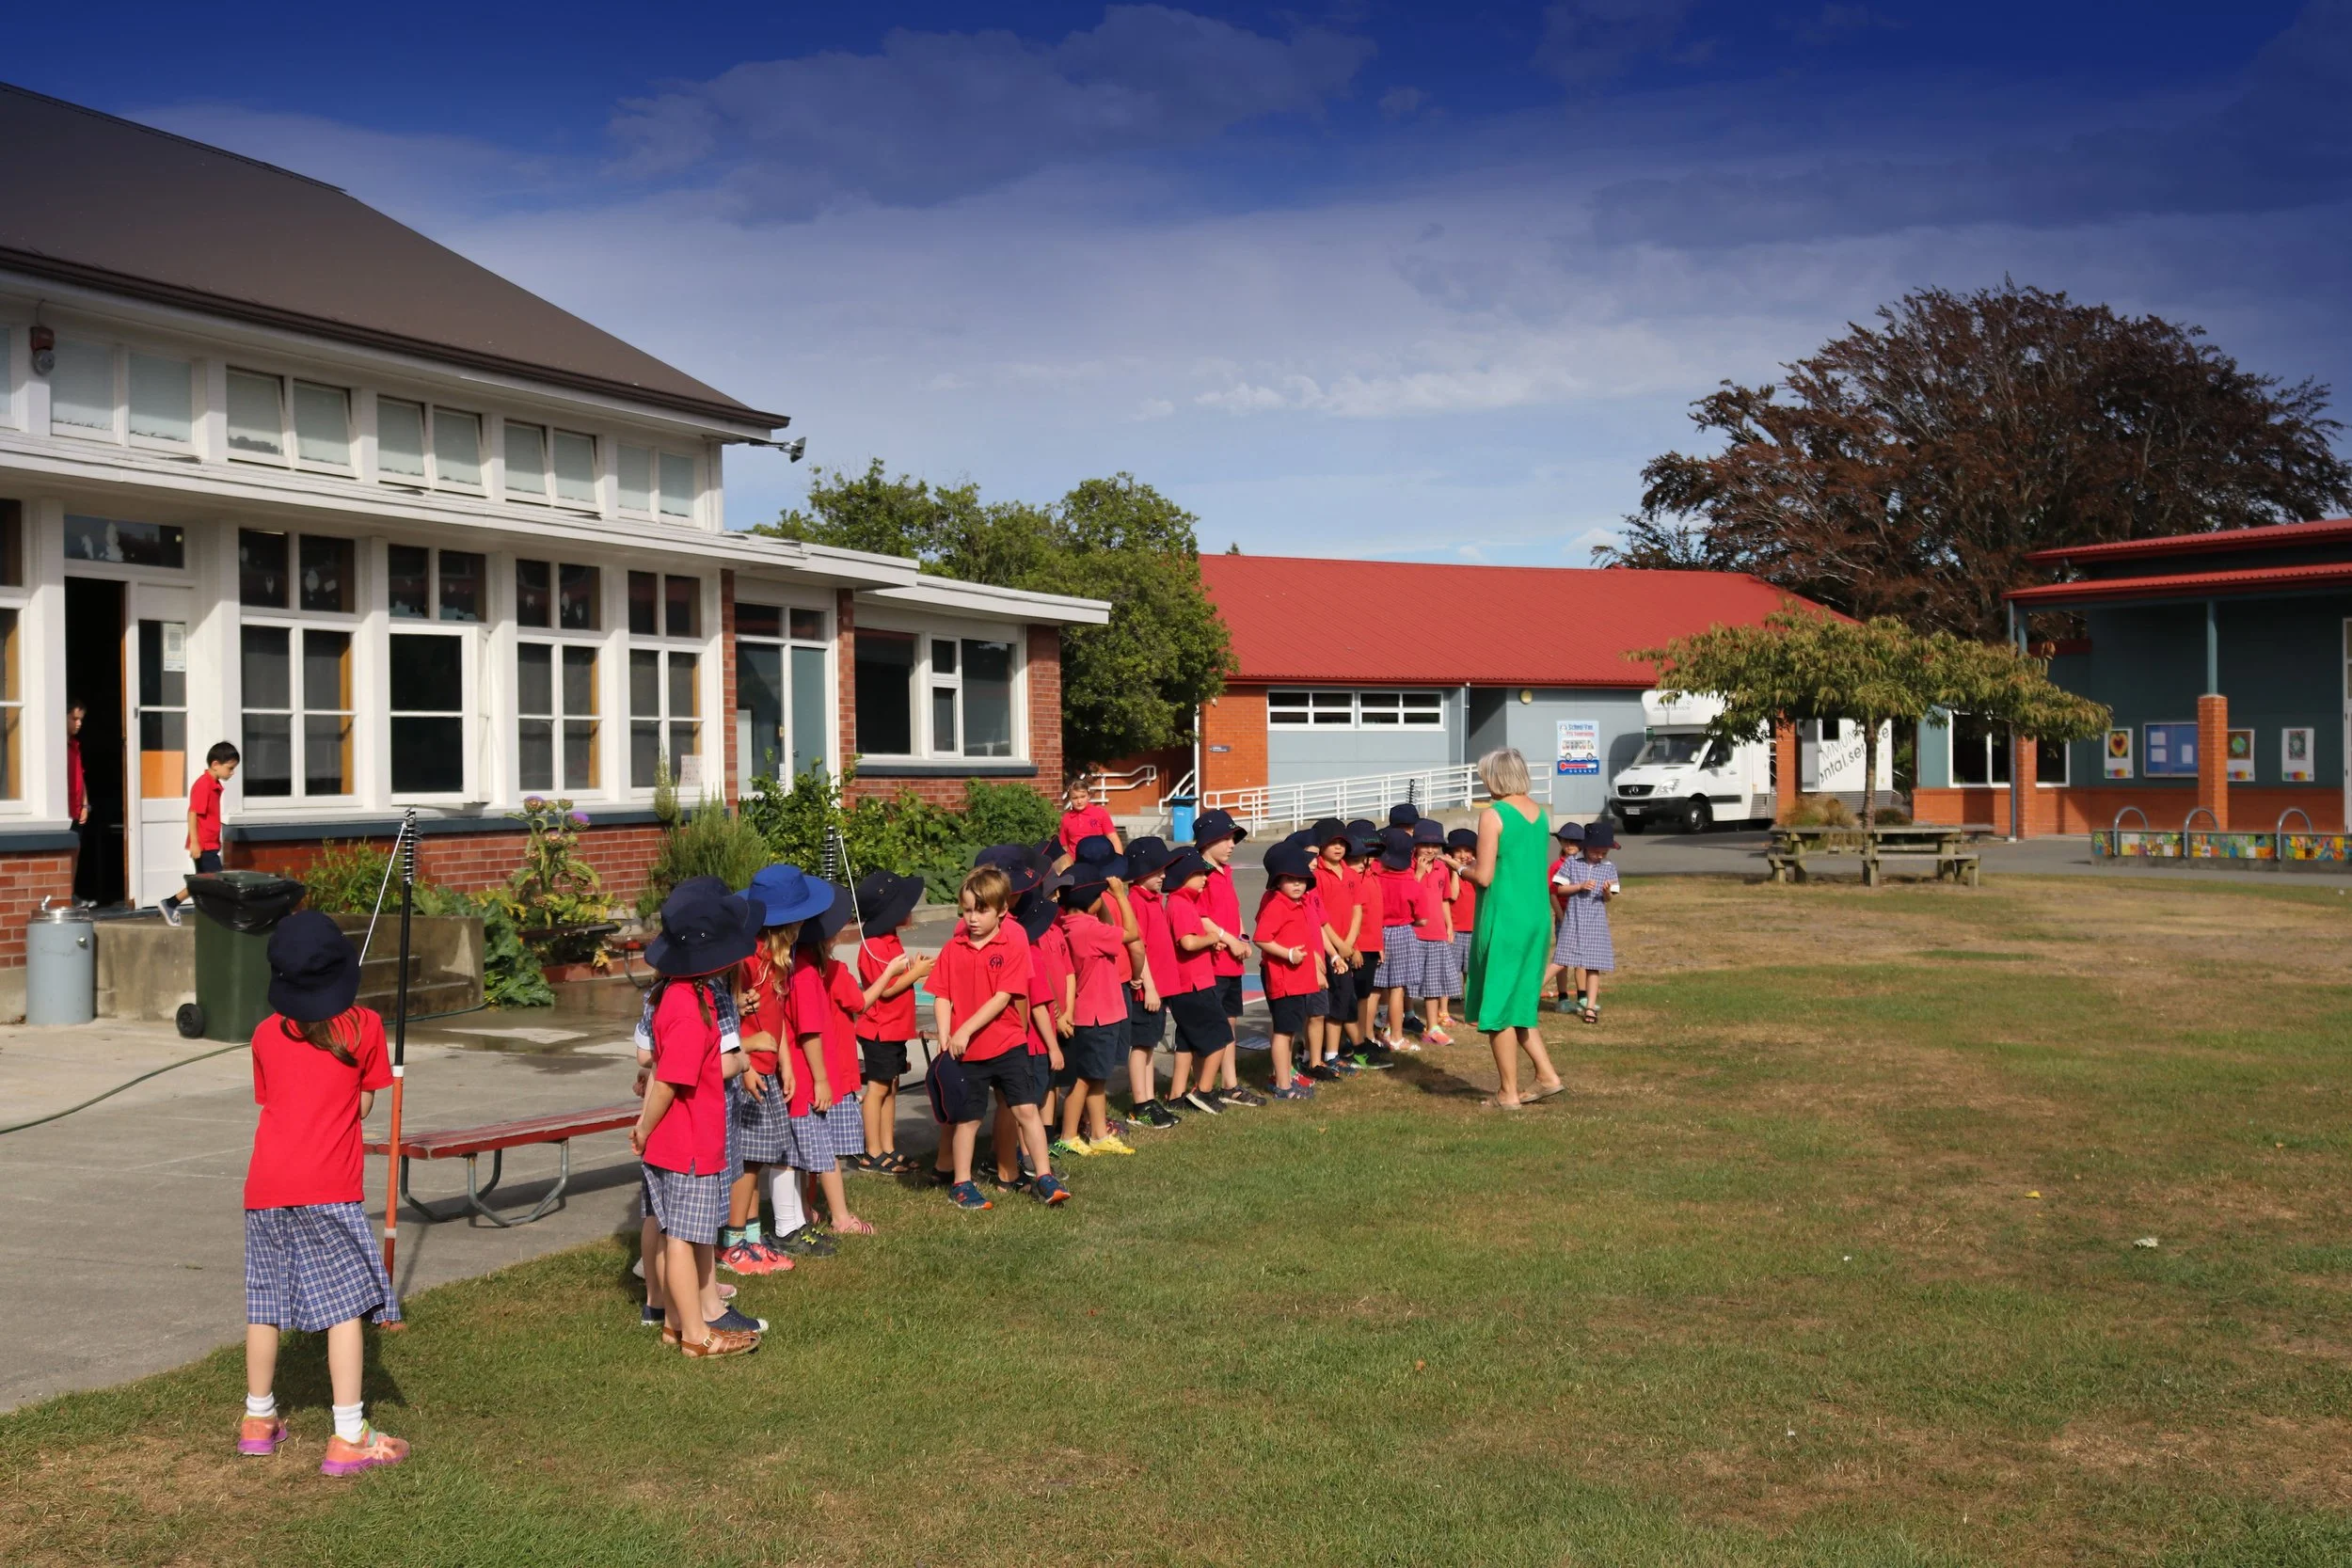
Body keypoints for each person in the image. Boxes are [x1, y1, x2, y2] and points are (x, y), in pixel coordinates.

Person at [238, 911, 409, 1472]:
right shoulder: (362, 1027)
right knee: (344, 1309)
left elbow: (273, 1101)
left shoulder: (264, 1033)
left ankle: (258, 1419)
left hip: (264, 1186)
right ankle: (348, 1434)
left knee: (264, 1302)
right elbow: (361, 1103)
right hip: (329, 1188)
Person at [635, 882, 765, 1356]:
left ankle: (675, 1323)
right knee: (686, 1241)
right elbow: (668, 1080)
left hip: (685, 1141)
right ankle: (696, 1334)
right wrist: (644, 1129)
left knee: (680, 1236)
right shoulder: (688, 1010)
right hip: (687, 1145)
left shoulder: (687, 995)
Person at [930, 864, 1070, 1208]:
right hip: (967, 1053)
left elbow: (1003, 996)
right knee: (968, 1119)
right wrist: (945, 1034)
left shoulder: (1012, 943)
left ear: (1002, 910)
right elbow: (942, 995)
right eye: (967, 910)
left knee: (1026, 1109)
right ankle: (961, 1184)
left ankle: (1045, 1176)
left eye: (982, 910)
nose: (973, 918)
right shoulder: (953, 948)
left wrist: (964, 1028)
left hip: (1007, 1044)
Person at [723, 864, 835, 1275]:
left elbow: (780, 1018)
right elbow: (730, 1021)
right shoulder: (747, 960)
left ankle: (753, 1237)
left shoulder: (779, 960)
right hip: (747, 1072)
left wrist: (787, 1064)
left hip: (770, 1070)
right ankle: (735, 1242)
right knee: (747, 1162)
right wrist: (746, 1064)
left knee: (760, 1155)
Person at [1460, 748, 1565, 1109]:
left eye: (1485, 776)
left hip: (1505, 918)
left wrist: (1459, 869)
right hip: (1535, 916)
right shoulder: (1539, 814)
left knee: (1500, 1005)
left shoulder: (1494, 815)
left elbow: (1485, 876)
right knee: (1520, 1001)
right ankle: (1547, 1075)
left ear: (1496, 778)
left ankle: (1507, 1092)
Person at [785, 883, 881, 1236]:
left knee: (802, 1153)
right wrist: (822, 1079)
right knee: (823, 1153)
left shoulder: (798, 964)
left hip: (802, 1074)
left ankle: (804, 1211)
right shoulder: (806, 972)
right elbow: (808, 1030)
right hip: (809, 1077)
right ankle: (841, 1218)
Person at [1052, 858, 1140, 1157]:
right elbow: (1130, 932)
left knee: (1097, 1077)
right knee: (1086, 1078)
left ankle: (1099, 1133)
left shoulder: (1071, 925)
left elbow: (1109, 927)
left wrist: (1099, 900)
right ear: (1093, 902)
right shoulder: (1090, 930)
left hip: (1094, 1012)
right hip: (1098, 1015)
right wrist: (1119, 895)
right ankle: (1069, 1133)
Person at [850, 870, 930, 1175]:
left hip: (895, 1030)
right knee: (877, 1088)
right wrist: (916, 972)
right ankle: (872, 1152)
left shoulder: (889, 939)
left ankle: (888, 1147)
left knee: (892, 1086)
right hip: (879, 1031)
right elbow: (886, 988)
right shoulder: (872, 945)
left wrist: (915, 969)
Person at [1161, 847, 1245, 1113]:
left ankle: (1176, 1095)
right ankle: (1203, 1091)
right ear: (1183, 877)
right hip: (1194, 984)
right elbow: (1187, 942)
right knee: (1221, 1035)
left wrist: (1209, 945)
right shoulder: (1181, 904)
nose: (1205, 879)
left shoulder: (1180, 903)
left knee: (1186, 1039)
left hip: (1187, 982)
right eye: (1199, 874)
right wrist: (1212, 939)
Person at [1194, 809, 1260, 1101]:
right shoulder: (1200, 873)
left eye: (1234, 839)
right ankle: (1201, 1084)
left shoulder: (1226, 871)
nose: (1232, 845)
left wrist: (1242, 937)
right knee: (1213, 1024)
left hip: (1231, 962)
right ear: (1208, 841)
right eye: (1226, 839)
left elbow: (1232, 911)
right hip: (1212, 962)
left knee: (1230, 1021)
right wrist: (1226, 939)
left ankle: (1229, 1084)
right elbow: (1199, 916)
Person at [1252, 842, 1326, 1100]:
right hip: (1283, 979)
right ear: (1277, 882)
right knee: (1283, 1033)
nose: (1297, 885)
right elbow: (1260, 938)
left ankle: (1286, 1077)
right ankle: (1283, 1086)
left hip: (1299, 980)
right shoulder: (1277, 905)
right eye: (1290, 880)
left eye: (1302, 880)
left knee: (1290, 1031)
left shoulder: (1302, 903)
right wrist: (1288, 954)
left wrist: (1315, 965)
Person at [1120, 837, 1181, 1127]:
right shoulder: (1135, 902)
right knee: (1141, 1046)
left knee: (1150, 1044)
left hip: (1160, 989)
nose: (1163, 876)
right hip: (1147, 990)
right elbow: (1137, 946)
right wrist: (1150, 987)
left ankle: (1150, 1098)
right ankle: (1140, 1103)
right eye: (1157, 872)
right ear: (1141, 873)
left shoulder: (1154, 899)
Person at [159, 740, 238, 926]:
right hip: (204, 845)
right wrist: (195, 843)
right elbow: (193, 812)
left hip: (209, 843)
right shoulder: (204, 785)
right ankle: (221, 920)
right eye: (230, 768)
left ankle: (171, 903)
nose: (232, 773)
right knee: (217, 882)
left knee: (203, 883)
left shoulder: (214, 784)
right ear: (215, 764)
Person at [1552, 820, 1621, 1024]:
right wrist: (1580, 886)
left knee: (1593, 966)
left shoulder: (1608, 868)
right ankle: (1528, 997)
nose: (1600, 856)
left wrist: (1607, 892)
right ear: (1586, 846)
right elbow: (1559, 889)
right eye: (1597, 852)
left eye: (1604, 853)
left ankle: (1589, 1007)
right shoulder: (1572, 863)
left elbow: (1610, 898)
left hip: (1595, 922)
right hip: (1573, 920)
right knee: (1560, 960)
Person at [1308, 819, 1360, 1081]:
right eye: (1332, 843)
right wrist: (1339, 945)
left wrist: (1349, 942)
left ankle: (1332, 1053)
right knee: (1321, 1006)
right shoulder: (1314, 874)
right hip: (1327, 947)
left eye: (1342, 843)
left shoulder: (1350, 873)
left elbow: (1357, 908)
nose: (1338, 848)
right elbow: (1319, 918)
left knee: (1340, 1002)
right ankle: (1314, 1055)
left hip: (1344, 948)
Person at [1409, 819, 1461, 1046]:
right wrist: (1419, 873)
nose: (1430, 850)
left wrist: (1449, 925)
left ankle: (1432, 1027)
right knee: (1406, 984)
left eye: (1435, 845)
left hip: (1437, 932)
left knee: (1433, 984)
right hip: (1414, 932)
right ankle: (1394, 1024)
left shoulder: (1442, 868)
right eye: (1425, 845)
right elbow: (1407, 895)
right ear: (1416, 845)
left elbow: (1444, 900)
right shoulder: (1407, 866)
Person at [1375, 827, 1423, 1053]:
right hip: (1402, 931)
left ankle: (1371, 1034)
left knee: (1374, 989)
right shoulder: (1411, 881)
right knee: (1397, 988)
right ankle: (1396, 1036)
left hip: (1376, 932)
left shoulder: (1374, 876)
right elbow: (1422, 918)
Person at [1541, 820, 1586, 1011]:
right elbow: (1552, 893)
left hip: (1582, 917)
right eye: (1566, 841)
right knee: (1563, 959)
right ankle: (1563, 997)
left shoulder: (1586, 864)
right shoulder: (1556, 866)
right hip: (1564, 917)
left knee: (1583, 958)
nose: (1570, 846)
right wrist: (1561, 917)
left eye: (1574, 842)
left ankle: (1583, 996)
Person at [1444, 828, 1479, 1027]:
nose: (1464, 855)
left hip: (1475, 929)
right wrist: (1456, 870)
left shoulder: (1476, 872)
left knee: (1472, 973)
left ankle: (1471, 1010)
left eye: (1468, 851)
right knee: (1451, 971)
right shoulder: (1450, 873)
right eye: (1459, 851)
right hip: (1455, 929)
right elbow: (1454, 895)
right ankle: (1444, 1011)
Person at [1057, 776, 1122, 862]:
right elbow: (1064, 846)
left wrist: (1119, 861)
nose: (1079, 801)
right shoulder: (1066, 818)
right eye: (1075, 798)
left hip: (1098, 860)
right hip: (1075, 863)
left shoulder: (1100, 813)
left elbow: (1113, 838)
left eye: (1082, 797)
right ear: (1070, 799)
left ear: (1088, 796)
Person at [66, 702, 91, 907]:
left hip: (77, 808)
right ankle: (65, 894)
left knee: (76, 851)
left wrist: (85, 804)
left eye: (81, 719)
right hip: (63, 810)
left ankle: (71, 893)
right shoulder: (59, 746)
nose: (79, 723)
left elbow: (80, 777)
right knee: (66, 852)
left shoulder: (75, 745)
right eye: (74, 718)